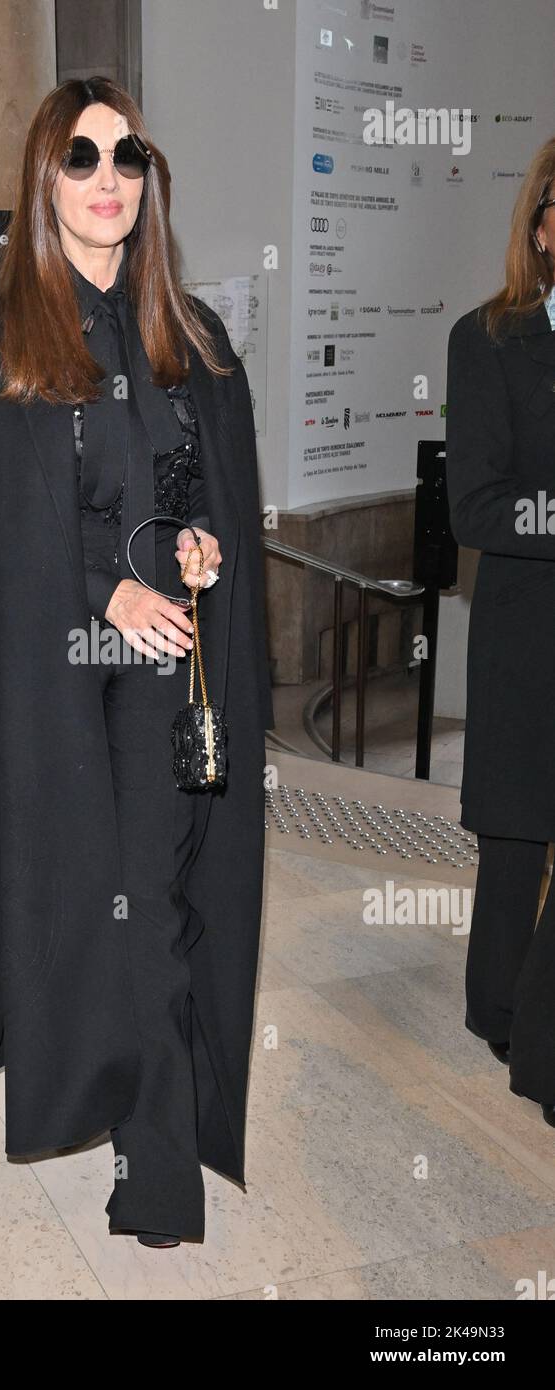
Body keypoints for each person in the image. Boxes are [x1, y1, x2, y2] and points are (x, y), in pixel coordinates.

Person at [0, 76, 273, 1246]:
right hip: (55, 683)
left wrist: (193, 548)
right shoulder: (1, 347)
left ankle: (157, 1164)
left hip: (166, 673)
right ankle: (118, 1101)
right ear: (44, 179)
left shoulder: (191, 340)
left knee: (160, 905)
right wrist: (99, 588)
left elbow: (178, 504)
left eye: (127, 158)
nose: (108, 179)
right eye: (82, 158)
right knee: (93, 913)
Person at [446, 135, 555, 1132]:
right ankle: (494, 1009)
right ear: (541, 224)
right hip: (530, 636)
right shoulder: (485, 338)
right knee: (518, 837)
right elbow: (474, 508)